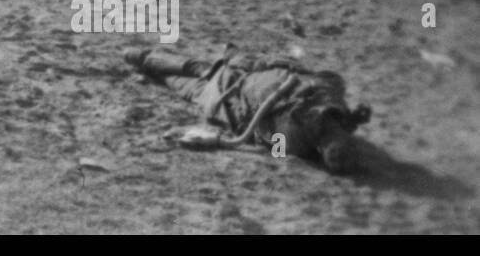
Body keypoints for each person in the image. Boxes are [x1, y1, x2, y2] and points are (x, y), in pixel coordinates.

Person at [125, 46, 371, 174]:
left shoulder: (329, 94)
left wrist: (349, 120)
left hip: (242, 79)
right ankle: (141, 59)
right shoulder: (297, 139)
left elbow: (315, 76)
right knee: (190, 84)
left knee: (196, 72)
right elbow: (268, 142)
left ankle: (141, 57)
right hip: (234, 96)